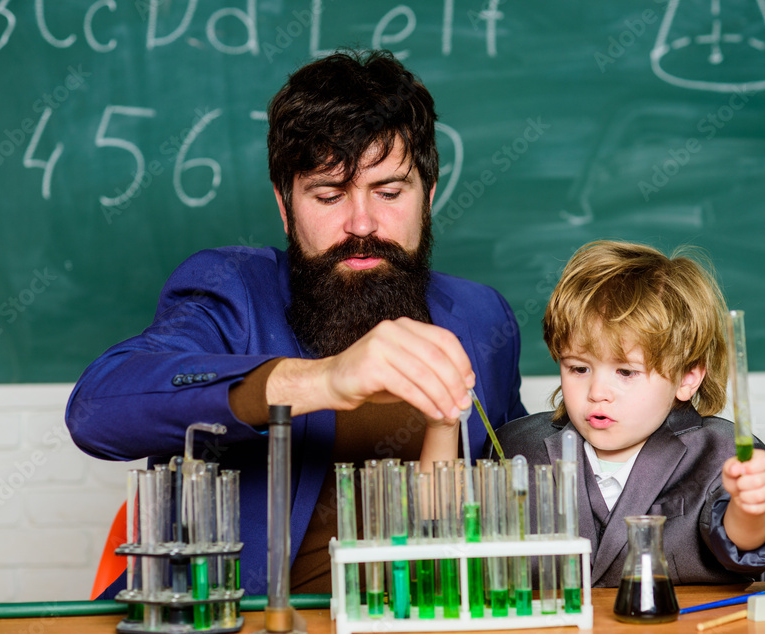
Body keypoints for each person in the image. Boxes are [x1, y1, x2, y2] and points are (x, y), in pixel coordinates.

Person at [66, 50, 526, 596]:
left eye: (389, 192)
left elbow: (520, 474)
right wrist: (322, 380)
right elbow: (95, 409)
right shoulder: (231, 290)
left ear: (427, 198)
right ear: (286, 207)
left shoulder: (481, 316)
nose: (362, 223)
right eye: (329, 195)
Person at [493, 240, 765, 586]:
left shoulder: (721, 453)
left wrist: (753, 511)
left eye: (626, 372)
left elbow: (744, 542)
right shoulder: (515, 449)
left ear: (687, 377)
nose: (597, 392)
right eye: (579, 368)